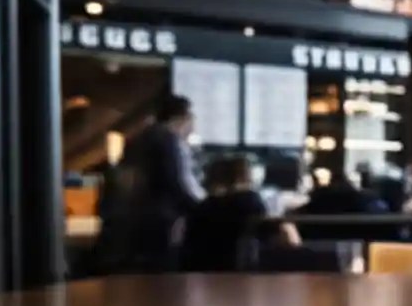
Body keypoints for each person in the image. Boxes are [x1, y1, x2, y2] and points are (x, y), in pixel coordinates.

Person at [98, 94, 205, 272]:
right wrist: (203, 210)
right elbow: (176, 185)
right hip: (160, 223)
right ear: (184, 118)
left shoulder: (140, 138)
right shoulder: (167, 140)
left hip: (132, 223)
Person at [181, 155, 300, 272]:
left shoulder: (202, 208)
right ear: (244, 176)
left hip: (199, 273)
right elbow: (282, 238)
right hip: (241, 274)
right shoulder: (249, 201)